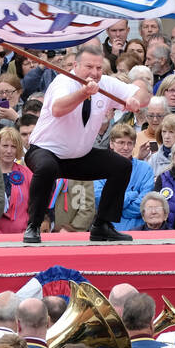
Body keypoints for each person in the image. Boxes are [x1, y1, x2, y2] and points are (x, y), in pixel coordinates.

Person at [22, 43, 149, 243]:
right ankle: (34, 225)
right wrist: (84, 93)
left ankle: (102, 225)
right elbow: (57, 109)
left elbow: (142, 93)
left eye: (99, 68)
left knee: (122, 166)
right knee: (46, 168)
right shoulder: (63, 82)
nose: (95, 72)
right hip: (46, 151)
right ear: (75, 65)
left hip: (79, 155)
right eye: (89, 67)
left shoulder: (105, 84)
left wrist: (136, 100)